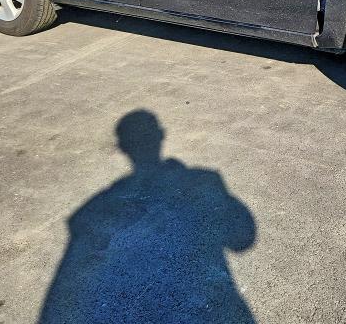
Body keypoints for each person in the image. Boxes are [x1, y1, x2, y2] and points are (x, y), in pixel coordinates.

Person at [38, 110, 256, 323]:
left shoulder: (92, 210)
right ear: (161, 134)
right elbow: (242, 239)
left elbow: (68, 290)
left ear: (123, 147)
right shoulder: (205, 180)